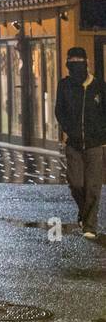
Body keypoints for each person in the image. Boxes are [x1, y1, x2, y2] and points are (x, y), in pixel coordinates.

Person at [54, 46, 106, 238]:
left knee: (93, 185)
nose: (75, 67)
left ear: (87, 64)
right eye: (71, 63)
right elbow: (59, 110)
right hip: (73, 144)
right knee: (76, 183)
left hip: (95, 144)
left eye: (79, 62)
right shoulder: (64, 85)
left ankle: (90, 225)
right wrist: (70, 130)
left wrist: (102, 134)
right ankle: (84, 212)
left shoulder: (99, 86)